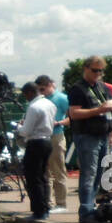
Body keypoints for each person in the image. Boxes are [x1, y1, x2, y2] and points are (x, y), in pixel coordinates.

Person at [66, 56, 112, 223]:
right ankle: (86, 212)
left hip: (103, 135)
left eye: (101, 71)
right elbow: (74, 113)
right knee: (89, 173)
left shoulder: (103, 87)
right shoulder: (78, 89)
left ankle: (91, 208)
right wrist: (99, 110)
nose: (98, 74)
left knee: (98, 174)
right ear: (86, 69)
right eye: (95, 70)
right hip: (87, 135)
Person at [16, 81, 55, 220]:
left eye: (25, 95)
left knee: (33, 178)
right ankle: (45, 206)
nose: (26, 98)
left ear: (30, 93)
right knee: (43, 176)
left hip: (35, 142)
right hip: (47, 141)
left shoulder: (33, 107)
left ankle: (39, 210)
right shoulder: (50, 104)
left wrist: (17, 128)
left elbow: (26, 131)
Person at [40, 75, 70, 213]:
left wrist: (59, 122)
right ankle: (48, 202)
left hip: (56, 135)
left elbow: (72, 116)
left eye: (43, 88)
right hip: (42, 136)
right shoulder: (41, 99)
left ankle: (61, 203)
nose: (42, 91)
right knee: (44, 171)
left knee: (58, 170)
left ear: (51, 84)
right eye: (40, 89)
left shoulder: (62, 98)